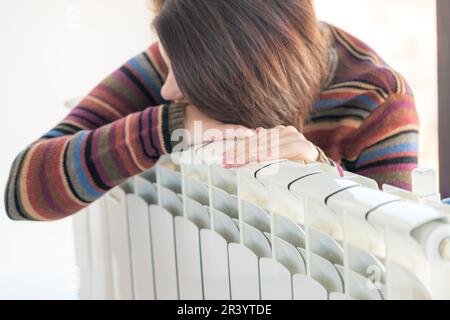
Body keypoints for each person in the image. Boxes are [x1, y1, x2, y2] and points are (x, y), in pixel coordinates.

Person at [4, 0, 419, 221]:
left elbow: (395, 267)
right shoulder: (176, 61)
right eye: (167, 63)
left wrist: (320, 173)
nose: (166, 90)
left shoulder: (376, 99)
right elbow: (22, 192)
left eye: (178, 74)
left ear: (240, 74)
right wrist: (167, 125)